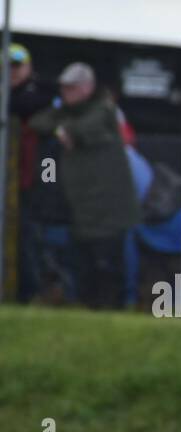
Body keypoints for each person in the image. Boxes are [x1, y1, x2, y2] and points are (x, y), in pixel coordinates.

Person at [28, 63, 139, 309]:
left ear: (88, 87)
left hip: (107, 208)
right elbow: (39, 123)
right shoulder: (65, 112)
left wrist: (67, 132)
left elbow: (82, 129)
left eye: (72, 88)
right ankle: (87, 307)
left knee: (108, 266)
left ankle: (116, 310)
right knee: (84, 266)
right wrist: (61, 131)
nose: (66, 93)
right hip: (81, 207)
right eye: (64, 88)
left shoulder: (104, 110)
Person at [5, 43, 57, 302]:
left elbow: (28, 105)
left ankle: (31, 293)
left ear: (29, 67)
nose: (12, 72)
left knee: (30, 239)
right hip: (11, 183)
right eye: (7, 67)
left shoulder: (43, 92)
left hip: (38, 180)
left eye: (17, 67)